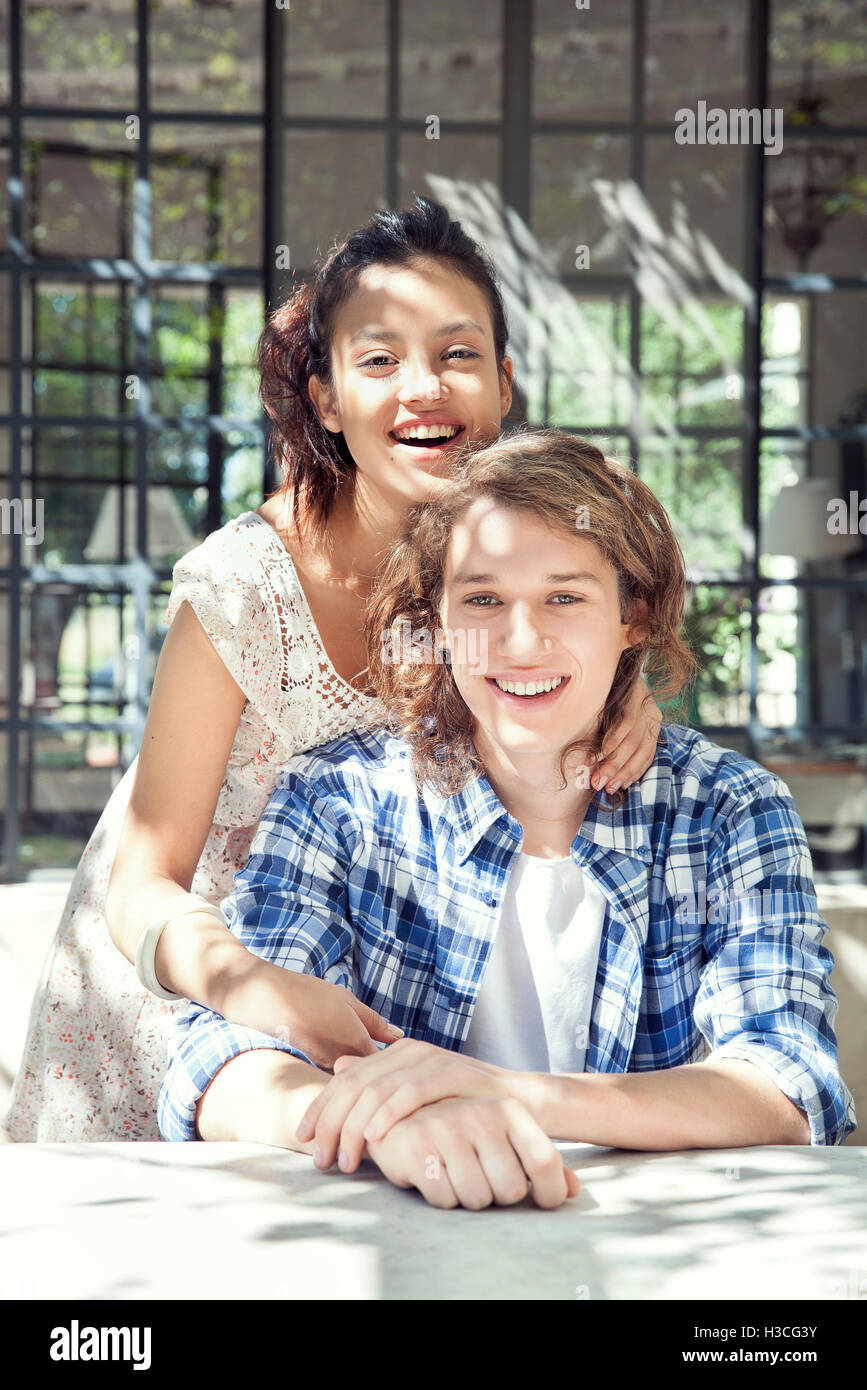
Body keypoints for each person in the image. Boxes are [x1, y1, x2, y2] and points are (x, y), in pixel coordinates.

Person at [3, 199, 661, 1143]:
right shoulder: (240, 589)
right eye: (380, 359)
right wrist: (254, 987)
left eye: (458, 353)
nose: (423, 388)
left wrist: (627, 697)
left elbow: (568, 656)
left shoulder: (500, 575)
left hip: (369, 988)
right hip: (196, 995)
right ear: (325, 397)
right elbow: (144, 881)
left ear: (505, 384)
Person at [158, 428, 857, 1210]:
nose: (521, 644)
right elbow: (218, 1063)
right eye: (483, 599)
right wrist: (389, 1126)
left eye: (564, 596)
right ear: (438, 621)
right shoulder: (336, 799)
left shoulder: (729, 810)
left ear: (633, 615)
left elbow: (789, 1086)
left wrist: (499, 1094)